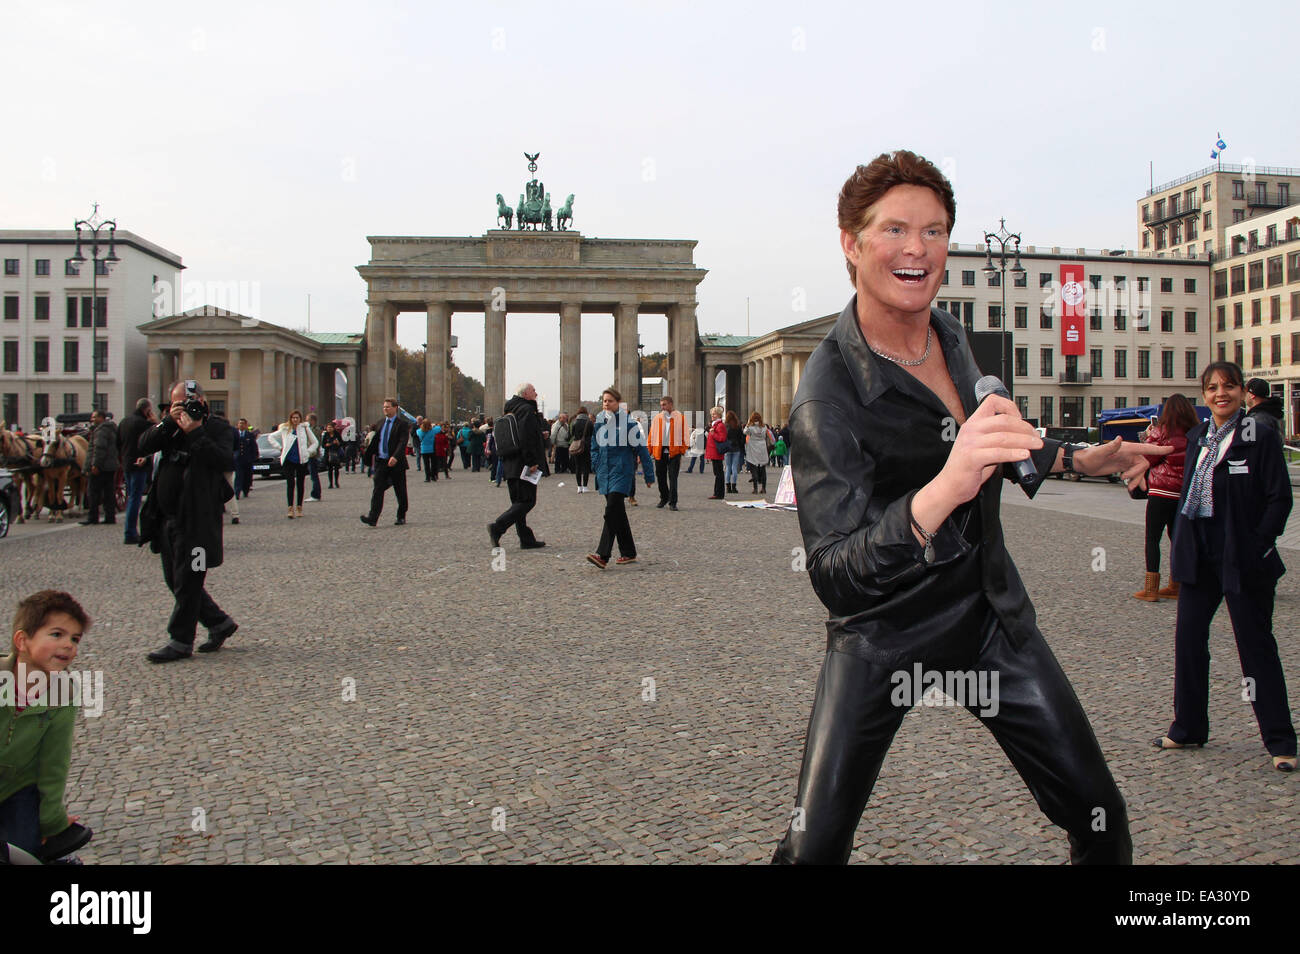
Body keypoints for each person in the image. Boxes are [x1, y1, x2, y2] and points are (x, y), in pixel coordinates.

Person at [772, 150, 1159, 865]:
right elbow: (834, 571)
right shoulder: (827, 396)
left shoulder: (953, 336)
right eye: (894, 230)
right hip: (882, 633)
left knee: (1099, 813)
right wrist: (943, 489)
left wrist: (1081, 459)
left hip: (987, 616)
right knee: (815, 844)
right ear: (850, 245)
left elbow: (996, 435)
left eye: (936, 231)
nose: (917, 249)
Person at [1153, 361, 1297, 772]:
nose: (1221, 394)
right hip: (1199, 553)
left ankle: (1281, 741)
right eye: (1213, 387)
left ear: (1242, 393)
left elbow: (1279, 499)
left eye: (1229, 386)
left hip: (1242, 556)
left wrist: (1256, 546)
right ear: (1203, 395)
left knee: (1255, 647)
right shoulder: (1198, 435)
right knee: (1189, 642)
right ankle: (1188, 728)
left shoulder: (1259, 434)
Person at [138, 381, 239, 663]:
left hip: (198, 523)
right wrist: (169, 422)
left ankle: (180, 640)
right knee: (174, 578)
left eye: (190, 401)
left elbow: (224, 461)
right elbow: (143, 445)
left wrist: (195, 433)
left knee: (189, 580)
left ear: (204, 402)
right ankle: (218, 622)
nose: (185, 408)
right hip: (167, 519)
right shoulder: (168, 429)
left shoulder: (216, 429)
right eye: (178, 403)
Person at [0, 590, 91, 860]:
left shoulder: (64, 694)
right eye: (57, 635)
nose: (69, 645)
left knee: (23, 853)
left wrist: (52, 821)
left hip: (19, 789)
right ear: (22, 641)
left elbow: (54, 762)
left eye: (75, 638)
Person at [1131, 394, 1198, 601]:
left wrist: (1147, 437)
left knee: (1152, 539)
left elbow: (1147, 457)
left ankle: (1151, 589)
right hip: (1182, 494)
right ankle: (1176, 583)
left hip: (1161, 493)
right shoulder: (1194, 434)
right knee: (1176, 539)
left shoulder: (1162, 432)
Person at [586, 387, 655, 568]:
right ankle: (628, 552)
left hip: (622, 472)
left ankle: (602, 555)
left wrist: (649, 474)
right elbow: (594, 446)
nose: (606, 404)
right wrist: (595, 463)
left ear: (618, 403)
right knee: (618, 514)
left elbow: (642, 449)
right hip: (605, 472)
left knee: (611, 511)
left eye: (610, 400)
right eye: (604, 401)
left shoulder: (629, 424)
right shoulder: (599, 423)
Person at [488, 383, 546, 550]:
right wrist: (531, 461)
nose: (536, 393)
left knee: (518, 502)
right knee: (528, 501)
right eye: (534, 390)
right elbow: (526, 437)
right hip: (523, 462)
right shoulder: (527, 410)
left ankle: (526, 539)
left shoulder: (510, 409)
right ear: (526, 394)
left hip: (509, 462)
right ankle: (497, 527)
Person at [360, 398, 410, 527]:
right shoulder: (380, 423)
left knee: (400, 491)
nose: (385, 409)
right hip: (381, 461)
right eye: (384, 407)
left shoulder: (402, 424)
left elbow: (402, 442)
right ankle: (373, 517)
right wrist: (367, 456)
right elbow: (376, 441)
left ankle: (401, 515)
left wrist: (396, 456)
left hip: (396, 462)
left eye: (388, 407)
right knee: (377, 489)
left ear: (395, 408)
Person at [118, 398, 157, 545]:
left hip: (127, 463)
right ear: (147, 410)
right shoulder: (143, 424)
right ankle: (130, 532)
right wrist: (154, 421)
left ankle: (130, 530)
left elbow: (118, 443)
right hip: (139, 464)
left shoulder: (124, 422)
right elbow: (156, 437)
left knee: (131, 497)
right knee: (135, 498)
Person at [268, 410, 318, 519]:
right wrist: (280, 448)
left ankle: (299, 507)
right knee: (290, 484)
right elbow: (271, 437)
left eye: (297, 418)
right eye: (293, 418)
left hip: (301, 460)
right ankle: (290, 508)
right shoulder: (285, 429)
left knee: (301, 484)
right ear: (290, 419)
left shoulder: (304, 428)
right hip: (289, 460)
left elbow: (315, 442)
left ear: (300, 419)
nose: (295, 419)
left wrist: (308, 452)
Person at [80, 409, 119, 526]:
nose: (92, 420)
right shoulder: (110, 428)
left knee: (93, 492)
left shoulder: (101, 431)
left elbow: (99, 448)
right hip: (110, 466)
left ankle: (93, 517)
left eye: (94, 417)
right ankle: (110, 516)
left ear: (101, 418)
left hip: (101, 467)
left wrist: (95, 465)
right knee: (108, 493)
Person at [648, 395, 687, 510]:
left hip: (674, 452)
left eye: (664, 404)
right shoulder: (657, 418)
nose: (662, 407)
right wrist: (648, 451)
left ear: (671, 404)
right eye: (661, 405)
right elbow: (651, 435)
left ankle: (673, 502)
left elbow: (685, 435)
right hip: (659, 451)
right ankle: (664, 497)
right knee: (660, 476)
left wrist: (682, 450)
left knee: (673, 477)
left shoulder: (681, 418)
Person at [1244, 377, 1284, 444]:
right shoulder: (1274, 412)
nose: (1244, 396)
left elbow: (1251, 448)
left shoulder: (1257, 419)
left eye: (1245, 392)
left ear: (1252, 395)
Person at [743, 411, 770, 496]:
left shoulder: (750, 427)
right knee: (763, 469)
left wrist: (748, 423)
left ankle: (755, 489)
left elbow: (744, 432)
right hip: (762, 447)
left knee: (753, 468)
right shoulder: (764, 427)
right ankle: (764, 488)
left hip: (753, 447)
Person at [232, 417, 257, 502]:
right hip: (238, 459)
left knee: (247, 476)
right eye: (240, 423)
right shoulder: (235, 434)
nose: (241, 425)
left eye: (243, 423)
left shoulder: (249, 435)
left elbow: (254, 447)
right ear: (237, 425)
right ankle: (237, 492)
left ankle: (246, 490)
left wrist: (254, 457)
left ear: (246, 425)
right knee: (238, 476)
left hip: (247, 459)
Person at [704, 406, 727, 499]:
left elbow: (722, 438)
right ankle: (718, 492)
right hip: (714, 452)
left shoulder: (720, 425)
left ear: (718, 415)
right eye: (712, 414)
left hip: (716, 452)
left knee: (718, 473)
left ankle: (718, 493)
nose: (712, 416)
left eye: (714, 414)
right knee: (717, 472)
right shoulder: (716, 425)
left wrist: (713, 434)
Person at [569, 407, 592, 493]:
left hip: (577, 446)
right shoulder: (589, 422)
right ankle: (585, 486)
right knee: (586, 466)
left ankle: (579, 486)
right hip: (586, 446)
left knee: (578, 466)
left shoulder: (575, 422)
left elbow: (572, 434)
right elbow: (592, 434)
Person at [723, 410, 744, 494]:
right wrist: (739, 445)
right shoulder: (737, 426)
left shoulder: (725, 426)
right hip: (736, 449)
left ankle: (728, 487)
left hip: (728, 449)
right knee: (734, 468)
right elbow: (741, 438)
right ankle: (734, 487)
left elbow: (724, 437)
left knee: (728, 468)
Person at [306, 413, 324, 501]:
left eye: (307, 420)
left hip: (312, 454)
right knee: (313, 475)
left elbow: (314, 442)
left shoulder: (315, 430)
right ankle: (316, 494)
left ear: (312, 421)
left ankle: (315, 495)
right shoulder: (314, 429)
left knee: (314, 475)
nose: (306, 422)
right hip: (312, 454)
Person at [321, 422, 344, 489]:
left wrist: (338, 443)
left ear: (333, 428)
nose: (329, 429)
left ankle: (336, 482)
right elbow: (323, 445)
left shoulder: (337, 434)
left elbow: (342, 443)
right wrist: (328, 444)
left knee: (336, 469)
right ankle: (330, 483)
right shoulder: (325, 435)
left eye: (330, 427)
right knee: (330, 469)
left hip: (336, 454)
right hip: (328, 454)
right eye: (328, 427)